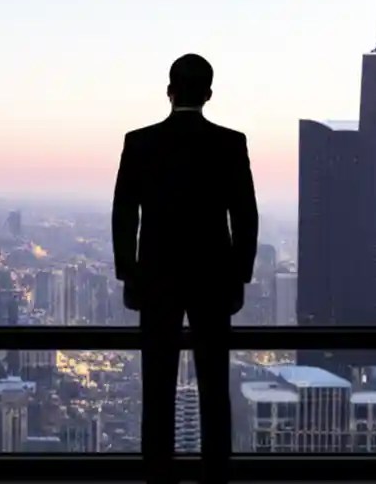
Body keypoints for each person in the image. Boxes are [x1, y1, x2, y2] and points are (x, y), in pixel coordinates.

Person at [111, 53, 258, 483]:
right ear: (209, 94)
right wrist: (240, 277)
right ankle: (215, 481)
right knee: (215, 390)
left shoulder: (139, 143)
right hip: (213, 283)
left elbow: (124, 215)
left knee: (156, 390)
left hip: (157, 281)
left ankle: (158, 481)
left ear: (169, 90)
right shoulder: (230, 144)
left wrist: (129, 275)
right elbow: (245, 216)